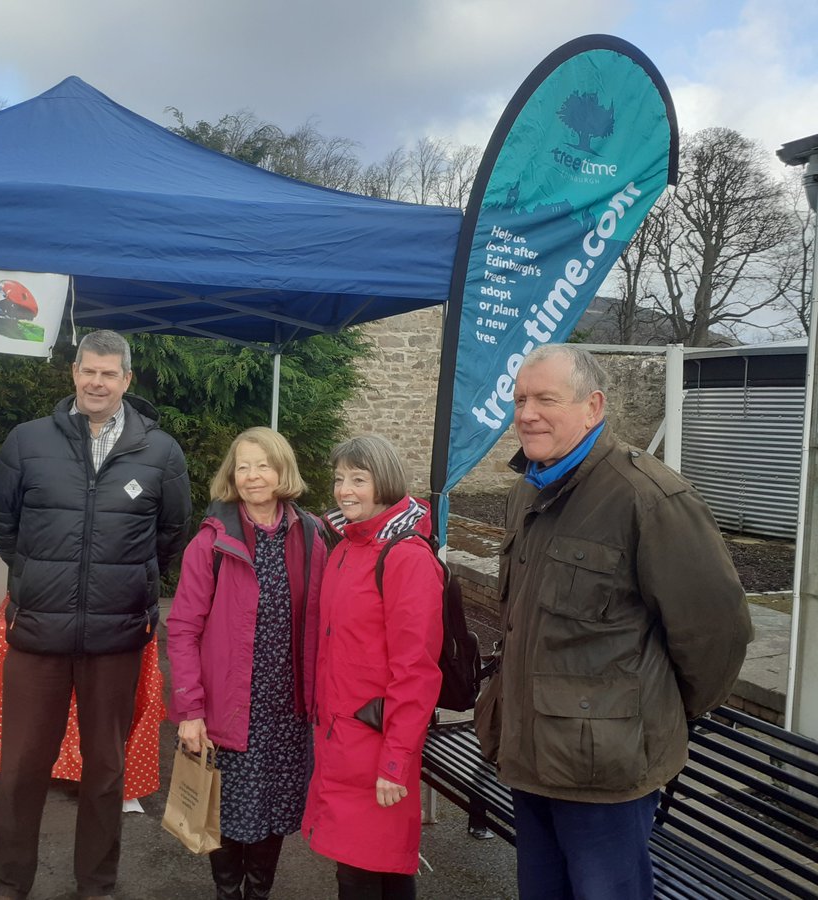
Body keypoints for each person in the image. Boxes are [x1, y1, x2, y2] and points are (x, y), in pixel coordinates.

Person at [474, 344, 754, 899]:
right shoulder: (527, 490)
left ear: (592, 407)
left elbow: (717, 635)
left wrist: (652, 712)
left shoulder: (649, 498)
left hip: (605, 774)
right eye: (520, 398)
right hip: (528, 755)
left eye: (545, 398)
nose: (527, 412)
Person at [0, 329, 191, 900]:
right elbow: (5, 526)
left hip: (117, 635)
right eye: (88, 371)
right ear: (74, 374)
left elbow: (171, 532)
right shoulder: (27, 441)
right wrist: (38, 578)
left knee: (104, 772)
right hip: (38, 634)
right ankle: (8, 883)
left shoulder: (160, 451)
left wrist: (129, 581)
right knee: (23, 769)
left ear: (127, 379)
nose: (97, 383)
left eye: (109, 374)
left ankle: (96, 885)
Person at [167, 427, 328, 900]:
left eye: (264, 465)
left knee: (275, 810)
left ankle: (258, 893)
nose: (253, 476)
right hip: (230, 709)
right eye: (243, 466)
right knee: (227, 812)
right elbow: (182, 629)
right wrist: (190, 710)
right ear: (231, 476)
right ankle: (227, 893)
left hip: (286, 712)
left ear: (283, 471)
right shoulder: (211, 542)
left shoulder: (312, 535)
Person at [303, 435, 444, 900]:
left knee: (366, 871)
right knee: (374, 867)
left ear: (383, 482)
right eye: (340, 478)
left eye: (358, 480)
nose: (345, 490)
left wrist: (395, 760)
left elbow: (416, 672)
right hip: (343, 739)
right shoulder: (346, 546)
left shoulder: (404, 557)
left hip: (376, 743)